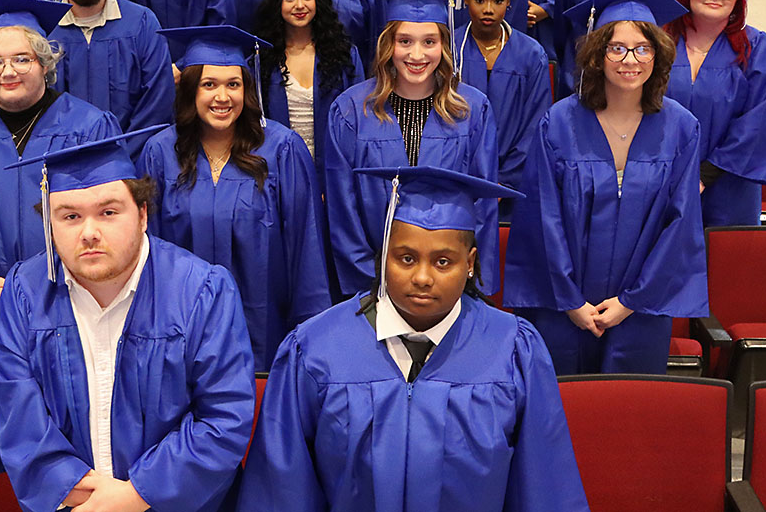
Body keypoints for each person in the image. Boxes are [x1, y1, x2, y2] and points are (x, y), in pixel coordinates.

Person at [238, 166, 589, 512]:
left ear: (470, 263)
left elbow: (545, 487)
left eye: (443, 262)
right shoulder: (315, 350)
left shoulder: (513, 351)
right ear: (383, 258)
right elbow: (280, 491)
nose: (422, 277)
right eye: (406, 258)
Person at [0, 131, 256, 512]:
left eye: (109, 212)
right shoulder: (24, 293)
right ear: (49, 223)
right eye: (70, 216)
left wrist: (135, 495)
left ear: (143, 214)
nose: (90, 233)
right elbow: (18, 413)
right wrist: (77, 490)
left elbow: (223, 417)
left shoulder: (201, 290)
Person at [505, 0, 706, 375]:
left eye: (642, 49)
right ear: (597, 56)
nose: (630, 60)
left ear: (658, 56)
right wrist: (571, 302)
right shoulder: (558, 123)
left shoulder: (682, 128)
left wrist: (631, 302)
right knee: (562, 408)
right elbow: (542, 218)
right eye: (617, 48)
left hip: (640, 312)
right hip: (563, 308)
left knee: (627, 417)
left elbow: (680, 225)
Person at [138, 25, 330, 371]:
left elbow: (307, 249)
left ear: (248, 90)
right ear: (191, 91)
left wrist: (310, 333)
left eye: (233, 85)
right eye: (209, 85)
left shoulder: (282, 150)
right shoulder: (160, 152)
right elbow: (148, 248)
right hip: (182, 327)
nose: (222, 97)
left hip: (266, 332)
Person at [0, 0, 120, 299]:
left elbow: (112, 215)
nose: (8, 71)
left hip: (76, 292)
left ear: (45, 64)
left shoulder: (89, 128)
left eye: (22, 59)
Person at [326, 0, 498, 300]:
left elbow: (483, 206)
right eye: (404, 41)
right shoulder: (350, 111)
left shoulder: (473, 110)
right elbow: (342, 211)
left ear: (444, 46)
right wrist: (373, 284)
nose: (416, 55)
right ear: (388, 45)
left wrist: (469, 283)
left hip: (449, 287)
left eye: (429, 42)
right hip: (373, 287)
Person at [662, 0, 766, 226]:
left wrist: (705, 176)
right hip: (662, 180)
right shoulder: (661, 41)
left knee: (724, 264)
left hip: (729, 186)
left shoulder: (756, 48)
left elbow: (758, 119)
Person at [47, 0, 175, 154]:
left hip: (132, 163)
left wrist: (121, 157)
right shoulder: (45, 30)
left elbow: (157, 100)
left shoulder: (141, 23)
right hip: (63, 166)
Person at [452, 0, 551, 215]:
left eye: (498, 1)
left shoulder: (531, 55)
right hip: (456, 181)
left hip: (514, 187)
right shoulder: (449, 50)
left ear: (509, 2)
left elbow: (536, 124)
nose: (488, 9)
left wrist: (504, 180)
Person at [249, 0, 363, 170]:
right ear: (275, 3)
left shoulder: (344, 55)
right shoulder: (261, 60)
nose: (300, 5)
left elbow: (358, 121)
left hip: (335, 172)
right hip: (278, 171)